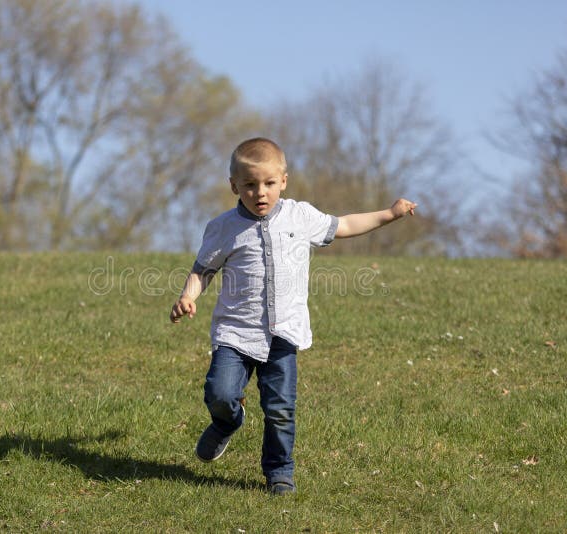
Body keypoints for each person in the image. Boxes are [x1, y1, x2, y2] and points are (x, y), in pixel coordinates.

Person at [169, 137, 417, 495]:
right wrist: (187, 296)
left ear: (283, 180)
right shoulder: (223, 228)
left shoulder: (301, 216)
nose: (260, 192)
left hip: (283, 333)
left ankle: (279, 471)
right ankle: (226, 424)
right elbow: (203, 269)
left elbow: (343, 225)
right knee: (220, 393)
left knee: (280, 409)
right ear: (234, 185)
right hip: (235, 333)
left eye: (269, 183)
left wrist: (389, 214)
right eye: (250, 185)